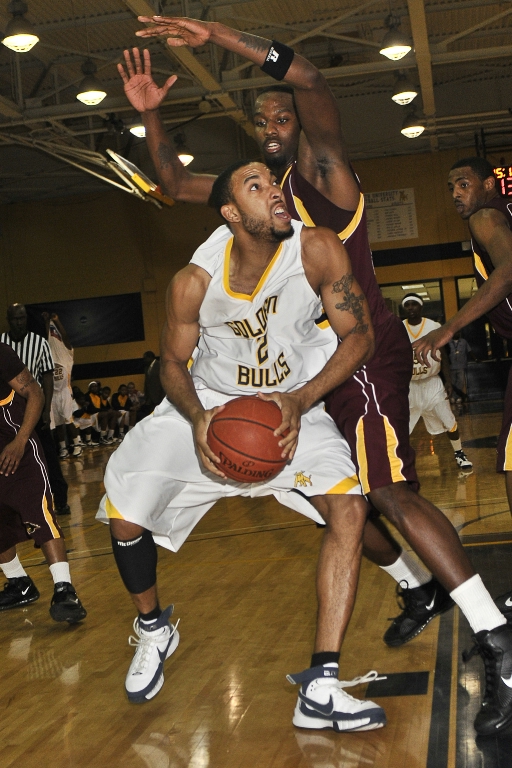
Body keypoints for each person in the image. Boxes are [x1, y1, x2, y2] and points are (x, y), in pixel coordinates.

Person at [122, 21, 512, 736]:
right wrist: (150, 111)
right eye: (261, 120)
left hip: (360, 355)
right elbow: (174, 182)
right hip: (311, 369)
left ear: (300, 123)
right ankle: (414, 586)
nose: (272, 126)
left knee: (385, 489)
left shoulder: (325, 171)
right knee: (336, 504)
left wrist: (213, 35)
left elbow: (312, 79)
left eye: (282, 116)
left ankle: (497, 641)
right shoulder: (255, 193)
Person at [97, 159, 388, 730]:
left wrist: (301, 401)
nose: (276, 192)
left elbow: (361, 334)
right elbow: (173, 364)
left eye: (274, 182)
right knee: (124, 510)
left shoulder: (317, 249)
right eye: (256, 187)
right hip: (210, 405)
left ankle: (322, 686)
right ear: (231, 213)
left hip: (289, 406)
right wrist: (200, 418)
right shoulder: (193, 282)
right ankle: (155, 629)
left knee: (349, 508)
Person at [0, 342, 86, 623]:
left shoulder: (1, 353)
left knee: (41, 515)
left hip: (18, 449)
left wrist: (21, 440)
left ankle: (65, 589)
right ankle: (19, 583)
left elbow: (34, 391)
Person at [0, 304, 70, 515]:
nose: (19, 322)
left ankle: (61, 499)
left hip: (34, 409)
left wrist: (46, 410)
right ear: (8, 320)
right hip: (8, 415)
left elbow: (47, 377)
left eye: (22, 318)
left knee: (48, 457)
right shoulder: (2, 343)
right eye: (15, 319)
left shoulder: (39, 342)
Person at [402, 293, 472, 471]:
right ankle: (399, 462)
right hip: (409, 386)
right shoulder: (398, 328)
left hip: (432, 382)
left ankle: (460, 454)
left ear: (421, 306)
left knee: (449, 420)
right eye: (407, 305)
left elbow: (445, 357)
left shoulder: (433, 327)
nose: (410, 308)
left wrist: (448, 381)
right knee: (401, 428)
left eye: (414, 304)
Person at [43, 312, 82, 459]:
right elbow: (46, 336)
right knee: (58, 424)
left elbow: (65, 336)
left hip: (65, 391)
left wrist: (57, 321)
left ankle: (77, 444)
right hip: (52, 393)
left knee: (68, 420)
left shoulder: (67, 352)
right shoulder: (48, 351)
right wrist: (47, 322)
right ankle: (63, 448)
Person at [448, 332, 475, 403]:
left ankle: (458, 397)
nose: (457, 334)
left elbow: (469, 351)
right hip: (451, 366)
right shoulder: (448, 342)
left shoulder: (463, 341)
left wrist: (475, 359)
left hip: (461, 365)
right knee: (452, 383)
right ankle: (453, 397)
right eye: (455, 332)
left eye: (458, 332)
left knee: (460, 382)